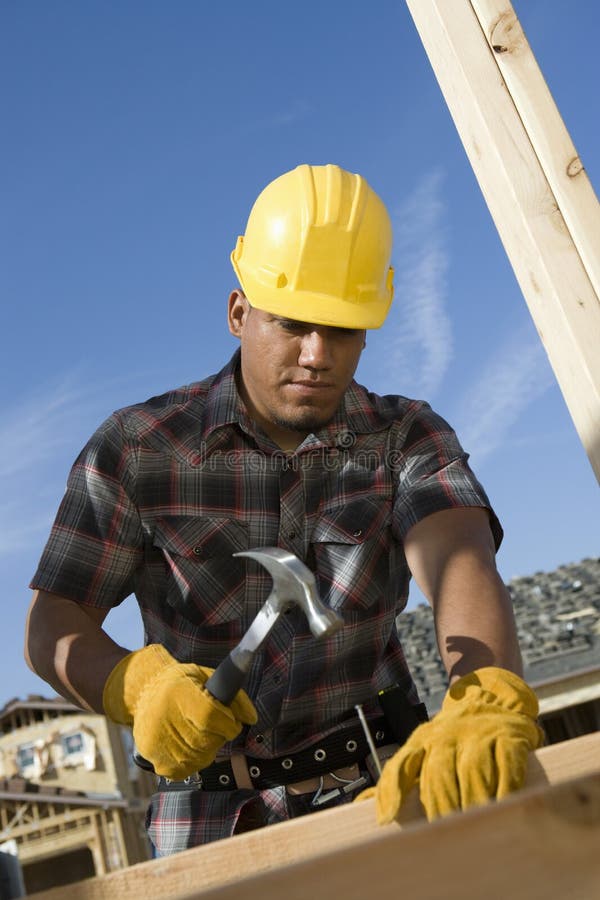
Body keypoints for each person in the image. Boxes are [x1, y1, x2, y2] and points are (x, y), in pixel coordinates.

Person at [25, 163, 543, 855]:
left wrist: (485, 692)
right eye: (293, 323)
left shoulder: (406, 439)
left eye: (344, 330)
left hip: (381, 790)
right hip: (206, 824)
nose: (317, 355)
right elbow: (52, 624)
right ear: (239, 312)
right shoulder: (138, 450)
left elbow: (459, 561)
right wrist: (135, 686)